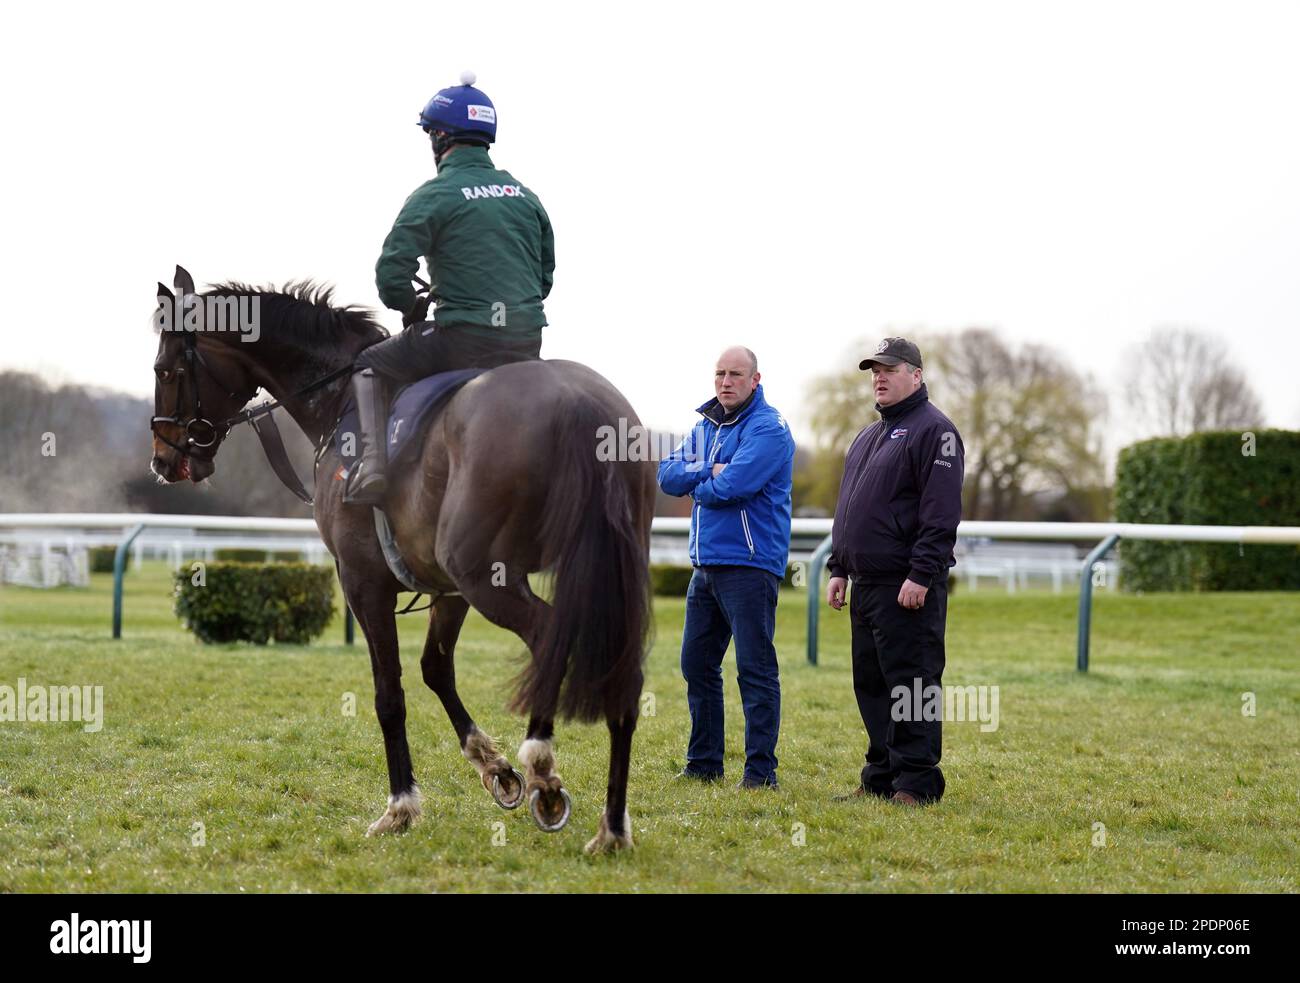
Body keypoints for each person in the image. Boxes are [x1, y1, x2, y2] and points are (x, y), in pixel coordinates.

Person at [345, 71, 555, 505]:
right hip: (525, 343)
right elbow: (545, 278)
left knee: (366, 364)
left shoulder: (435, 194)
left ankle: (372, 466)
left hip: (463, 341)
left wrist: (410, 305)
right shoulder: (525, 195)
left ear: (440, 137)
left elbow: (391, 274)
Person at [825, 337, 964, 806]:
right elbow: (848, 511)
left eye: (889, 368)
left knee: (913, 683)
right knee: (872, 683)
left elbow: (941, 514)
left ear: (916, 375)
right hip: (865, 587)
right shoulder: (868, 436)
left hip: (907, 586)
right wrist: (838, 567)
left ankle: (917, 783)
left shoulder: (936, 431)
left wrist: (921, 574)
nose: (879, 377)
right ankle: (881, 776)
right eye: (873, 371)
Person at [657, 347, 796, 789]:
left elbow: (733, 487)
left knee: (754, 671)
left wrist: (701, 479)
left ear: (756, 379)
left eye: (736, 374)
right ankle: (704, 765)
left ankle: (760, 774)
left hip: (750, 567)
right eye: (720, 373)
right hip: (706, 568)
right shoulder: (706, 426)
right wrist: (709, 469)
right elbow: (665, 475)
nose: (726, 381)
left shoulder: (769, 428)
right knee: (696, 665)